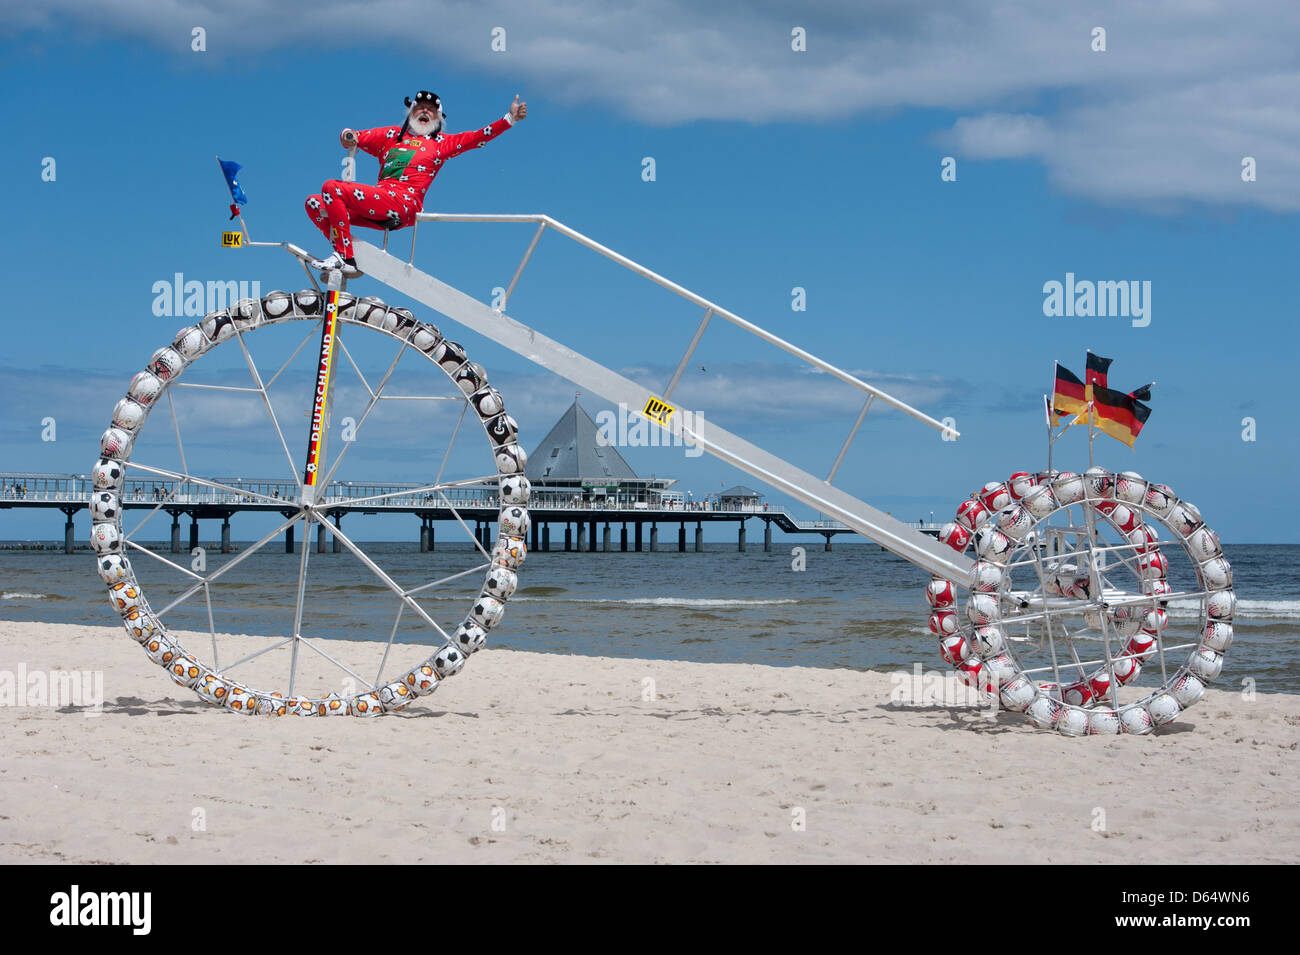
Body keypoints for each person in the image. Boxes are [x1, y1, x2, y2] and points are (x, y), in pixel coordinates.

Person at [306, 90, 528, 276]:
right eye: (420, 107)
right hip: (378, 203)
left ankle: (344, 257)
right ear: (411, 112)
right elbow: (355, 135)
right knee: (314, 203)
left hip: (403, 206)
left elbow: (478, 137)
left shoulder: (441, 143)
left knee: (331, 187)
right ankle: (345, 251)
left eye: (431, 109)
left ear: (439, 118)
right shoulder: (392, 135)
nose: (425, 111)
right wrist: (347, 135)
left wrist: (509, 119)